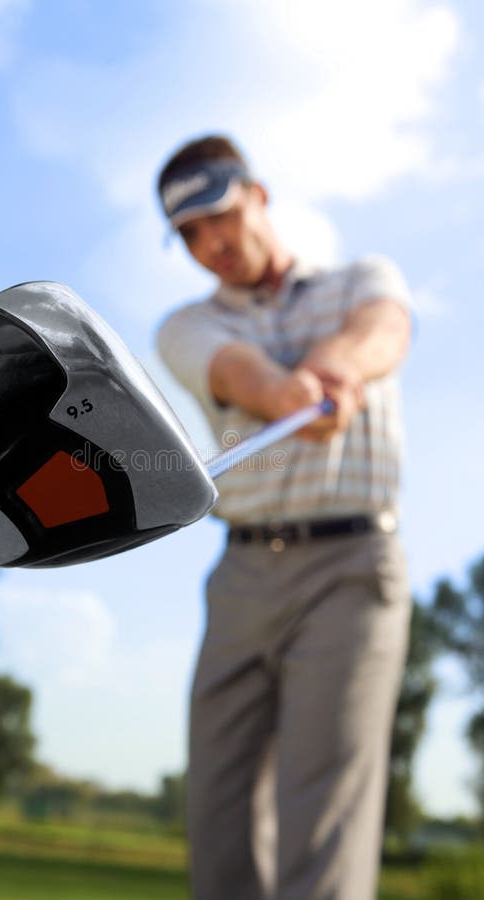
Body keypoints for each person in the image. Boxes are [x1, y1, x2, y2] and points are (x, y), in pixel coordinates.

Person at [154, 134, 413, 900]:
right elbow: (243, 377)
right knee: (219, 814)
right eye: (191, 236)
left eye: (219, 217)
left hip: (350, 567)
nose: (211, 245)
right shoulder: (185, 326)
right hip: (240, 574)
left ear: (257, 195)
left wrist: (336, 363)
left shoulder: (361, 280)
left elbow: (383, 330)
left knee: (321, 812)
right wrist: (285, 392)